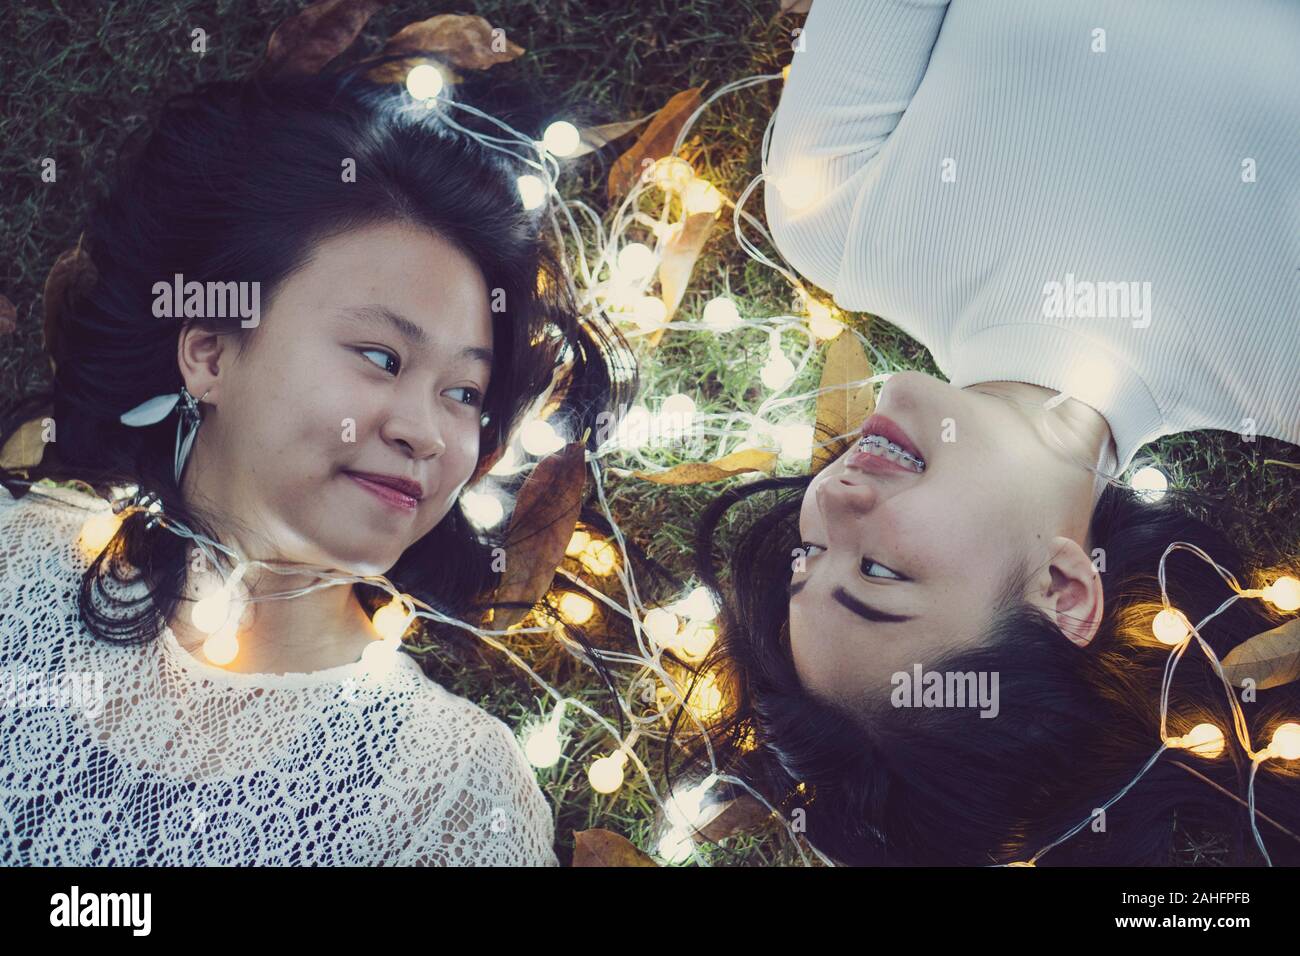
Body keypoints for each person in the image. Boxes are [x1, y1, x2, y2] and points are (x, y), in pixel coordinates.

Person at [678, 0, 1300, 865]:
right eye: (881, 572)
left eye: (807, 557)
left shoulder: (837, 208)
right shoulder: (1285, 363)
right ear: (1063, 590)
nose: (834, 501)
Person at [0, 58, 634, 865]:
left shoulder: (450, 788)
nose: (428, 433)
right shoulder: (15, 561)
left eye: (466, 393)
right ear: (211, 352)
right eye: (379, 354)